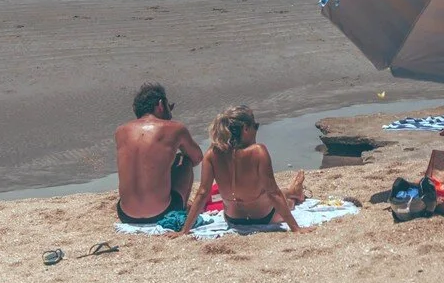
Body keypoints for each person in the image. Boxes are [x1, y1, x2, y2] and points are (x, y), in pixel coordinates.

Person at [179, 106, 305, 234]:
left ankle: (292, 191)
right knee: (287, 202)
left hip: (233, 219)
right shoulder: (258, 151)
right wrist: (296, 228)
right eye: (255, 126)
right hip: (263, 217)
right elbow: (273, 193)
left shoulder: (211, 154)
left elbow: (202, 193)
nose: (256, 131)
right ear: (245, 128)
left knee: (268, 194)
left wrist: (184, 231)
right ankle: (294, 193)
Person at [114, 82, 203, 225]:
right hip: (162, 212)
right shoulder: (175, 128)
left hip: (125, 214)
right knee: (184, 160)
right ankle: (182, 206)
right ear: (161, 105)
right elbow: (197, 157)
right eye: (170, 107)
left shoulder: (120, 131)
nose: (171, 112)